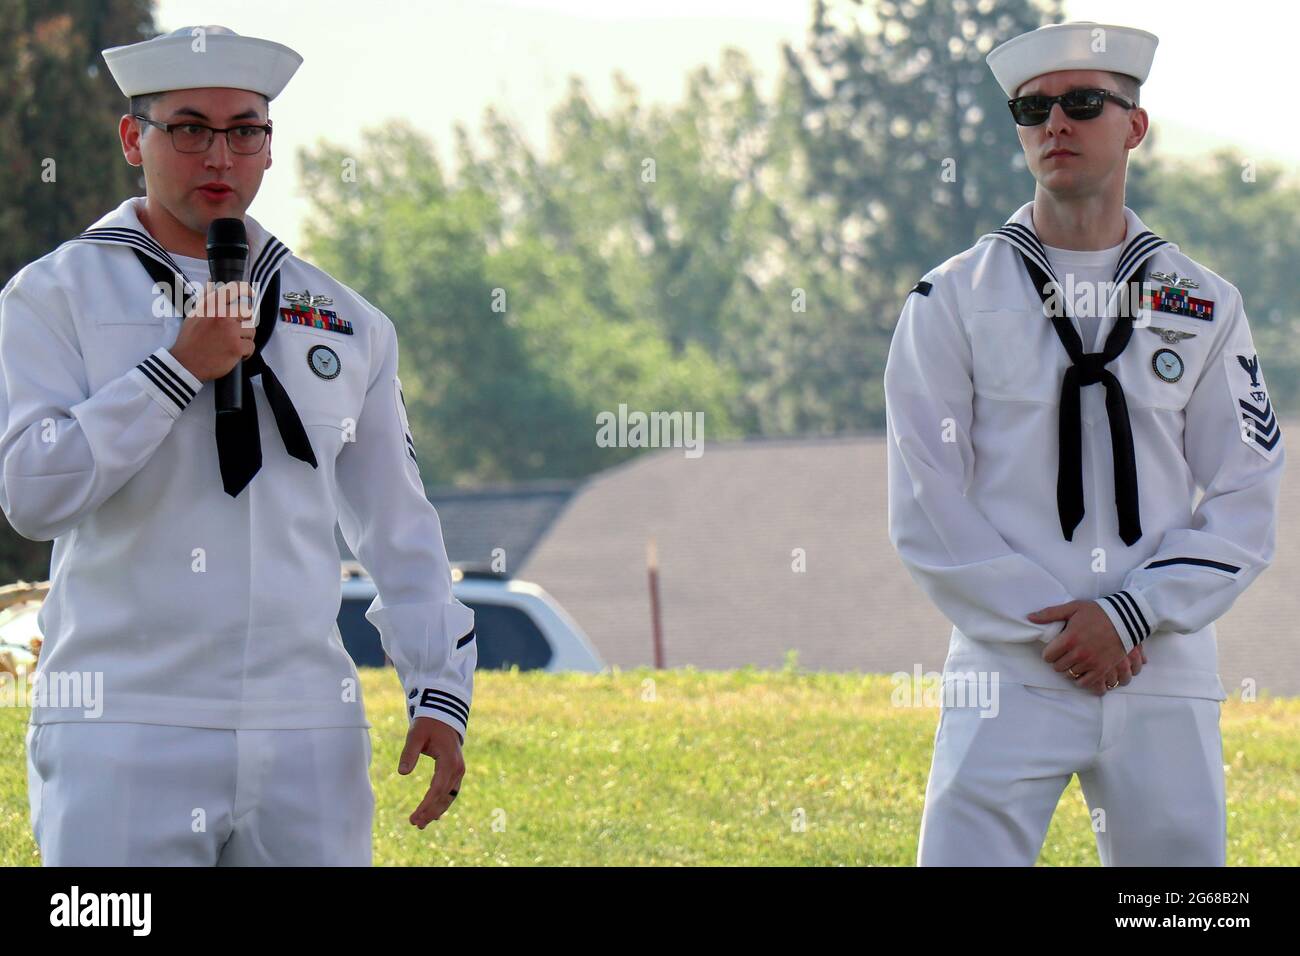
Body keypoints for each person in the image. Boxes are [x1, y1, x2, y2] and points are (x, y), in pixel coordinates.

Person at [0, 25, 477, 865]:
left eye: (244, 131)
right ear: (131, 139)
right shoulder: (52, 296)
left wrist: (439, 689)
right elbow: (34, 492)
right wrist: (176, 369)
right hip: (125, 724)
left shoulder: (347, 319)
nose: (218, 154)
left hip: (307, 730)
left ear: (268, 147)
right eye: (188, 128)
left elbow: (399, 526)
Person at [885, 21, 1284, 866]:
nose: (1054, 124)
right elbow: (926, 496)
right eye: (1032, 108)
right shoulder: (950, 298)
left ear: (1134, 125)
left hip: (1161, 663)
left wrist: (1131, 614)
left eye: (1082, 102)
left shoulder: (1205, 302)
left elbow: (1246, 495)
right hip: (1009, 665)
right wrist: (1058, 628)